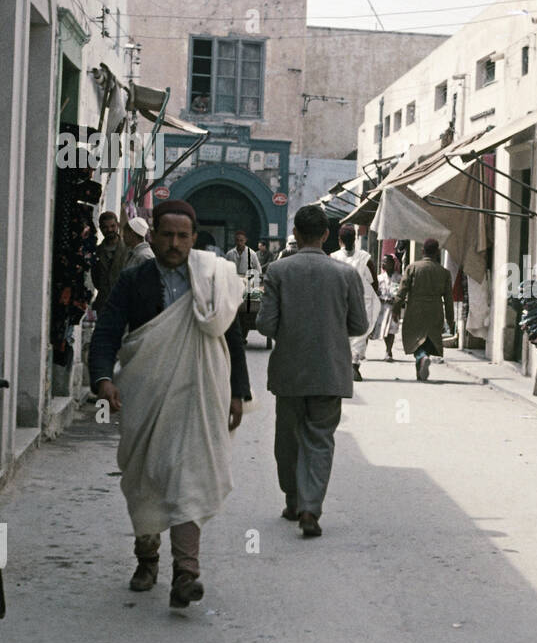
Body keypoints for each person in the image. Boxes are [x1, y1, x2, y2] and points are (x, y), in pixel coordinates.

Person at [88, 200, 249, 608]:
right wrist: (104, 378)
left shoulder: (213, 276)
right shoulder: (133, 280)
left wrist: (237, 392)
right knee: (146, 478)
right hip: (145, 395)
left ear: (194, 238)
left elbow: (231, 336)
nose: (175, 243)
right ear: (153, 236)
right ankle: (147, 559)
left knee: (189, 478)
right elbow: (107, 331)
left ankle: (186, 571)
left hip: (200, 393)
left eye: (183, 236)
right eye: (167, 235)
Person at [256, 205, 368, 538]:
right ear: (325, 235)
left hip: (289, 372)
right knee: (319, 440)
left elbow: (264, 324)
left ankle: (293, 499)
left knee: (287, 441)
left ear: (295, 232)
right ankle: (310, 508)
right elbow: (360, 324)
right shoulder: (346, 274)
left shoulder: (277, 271)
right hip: (330, 371)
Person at [392, 238, 455, 381]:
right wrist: (450, 319)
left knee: (416, 340)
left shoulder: (413, 267)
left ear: (422, 251)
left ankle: (422, 357)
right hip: (435, 310)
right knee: (428, 340)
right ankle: (421, 368)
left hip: (415, 309)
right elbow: (449, 299)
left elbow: (401, 291)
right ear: (437, 252)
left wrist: (396, 309)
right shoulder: (444, 273)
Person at [330, 224, 379, 381]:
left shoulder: (333, 257)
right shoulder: (365, 258)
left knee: (341, 332)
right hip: (362, 300)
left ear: (339, 240)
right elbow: (374, 282)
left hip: (340, 300)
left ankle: (342, 365)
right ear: (355, 239)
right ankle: (354, 364)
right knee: (360, 334)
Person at [91, 210, 124, 313]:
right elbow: (96, 280)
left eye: (112, 226)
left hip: (125, 306)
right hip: (104, 307)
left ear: (117, 225)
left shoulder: (129, 250)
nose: (109, 230)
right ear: (100, 229)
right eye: (105, 227)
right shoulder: (97, 252)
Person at [373, 253, 402, 361]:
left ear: (392, 263)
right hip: (382, 307)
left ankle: (388, 351)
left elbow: (401, 293)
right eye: (383, 262)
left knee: (391, 330)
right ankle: (387, 349)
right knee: (385, 329)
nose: (384, 263)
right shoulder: (379, 278)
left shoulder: (399, 278)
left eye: (387, 261)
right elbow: (375, 292)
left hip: (393, 307)